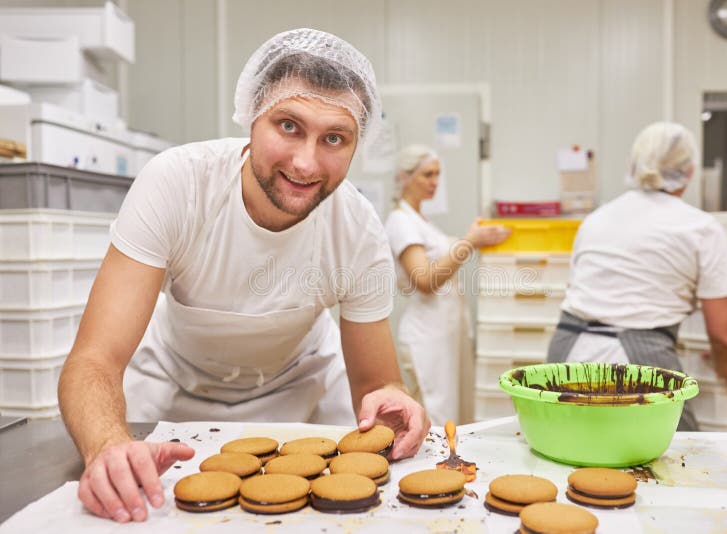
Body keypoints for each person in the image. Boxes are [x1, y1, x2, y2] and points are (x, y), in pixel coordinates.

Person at [58, 28, 430, 523]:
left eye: (334, 138)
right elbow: (92, 361)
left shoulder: (357, 229)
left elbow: (377, 383)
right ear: (252, 115)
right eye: (289, 126)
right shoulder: (178, 184)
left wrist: (396, 403)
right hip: (172, 390)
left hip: (303, 401)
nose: (305, 162)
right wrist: (108, 443)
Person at [546, 121, 727, 431]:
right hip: (640, 364)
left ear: (633, 166)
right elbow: (725, 334)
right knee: (671, 459)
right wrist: (725, 361)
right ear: (689, 172)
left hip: (566, 355)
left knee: (565, 450)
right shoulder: (700, 228)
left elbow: (579, 289)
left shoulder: (595, 220)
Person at [383, 145, 510, 425]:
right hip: (427, 335)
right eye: (427, 174)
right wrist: (469, 243)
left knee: (456, 415)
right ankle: (436, 469)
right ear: (405, 177)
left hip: (447, 332)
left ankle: (453, 467)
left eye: (438, 174)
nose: (435, 182)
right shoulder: (400, 222)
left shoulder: (422, 221)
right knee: (438, 419)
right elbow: (425, 280)